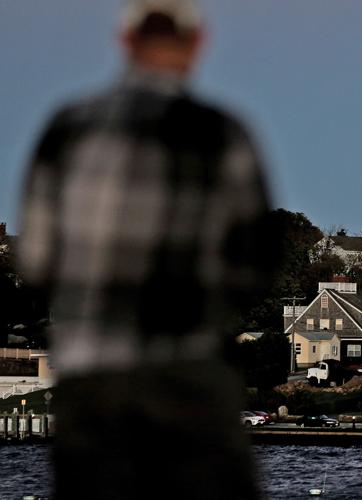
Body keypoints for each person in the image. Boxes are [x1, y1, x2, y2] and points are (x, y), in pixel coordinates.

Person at [18, 1, 278, 498]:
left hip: (92, 374)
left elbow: (35, 259)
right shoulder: (223, 135)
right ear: (198, 44)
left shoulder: (66, 130)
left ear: (125, 42)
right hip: (188, 368)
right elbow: (254, 264)